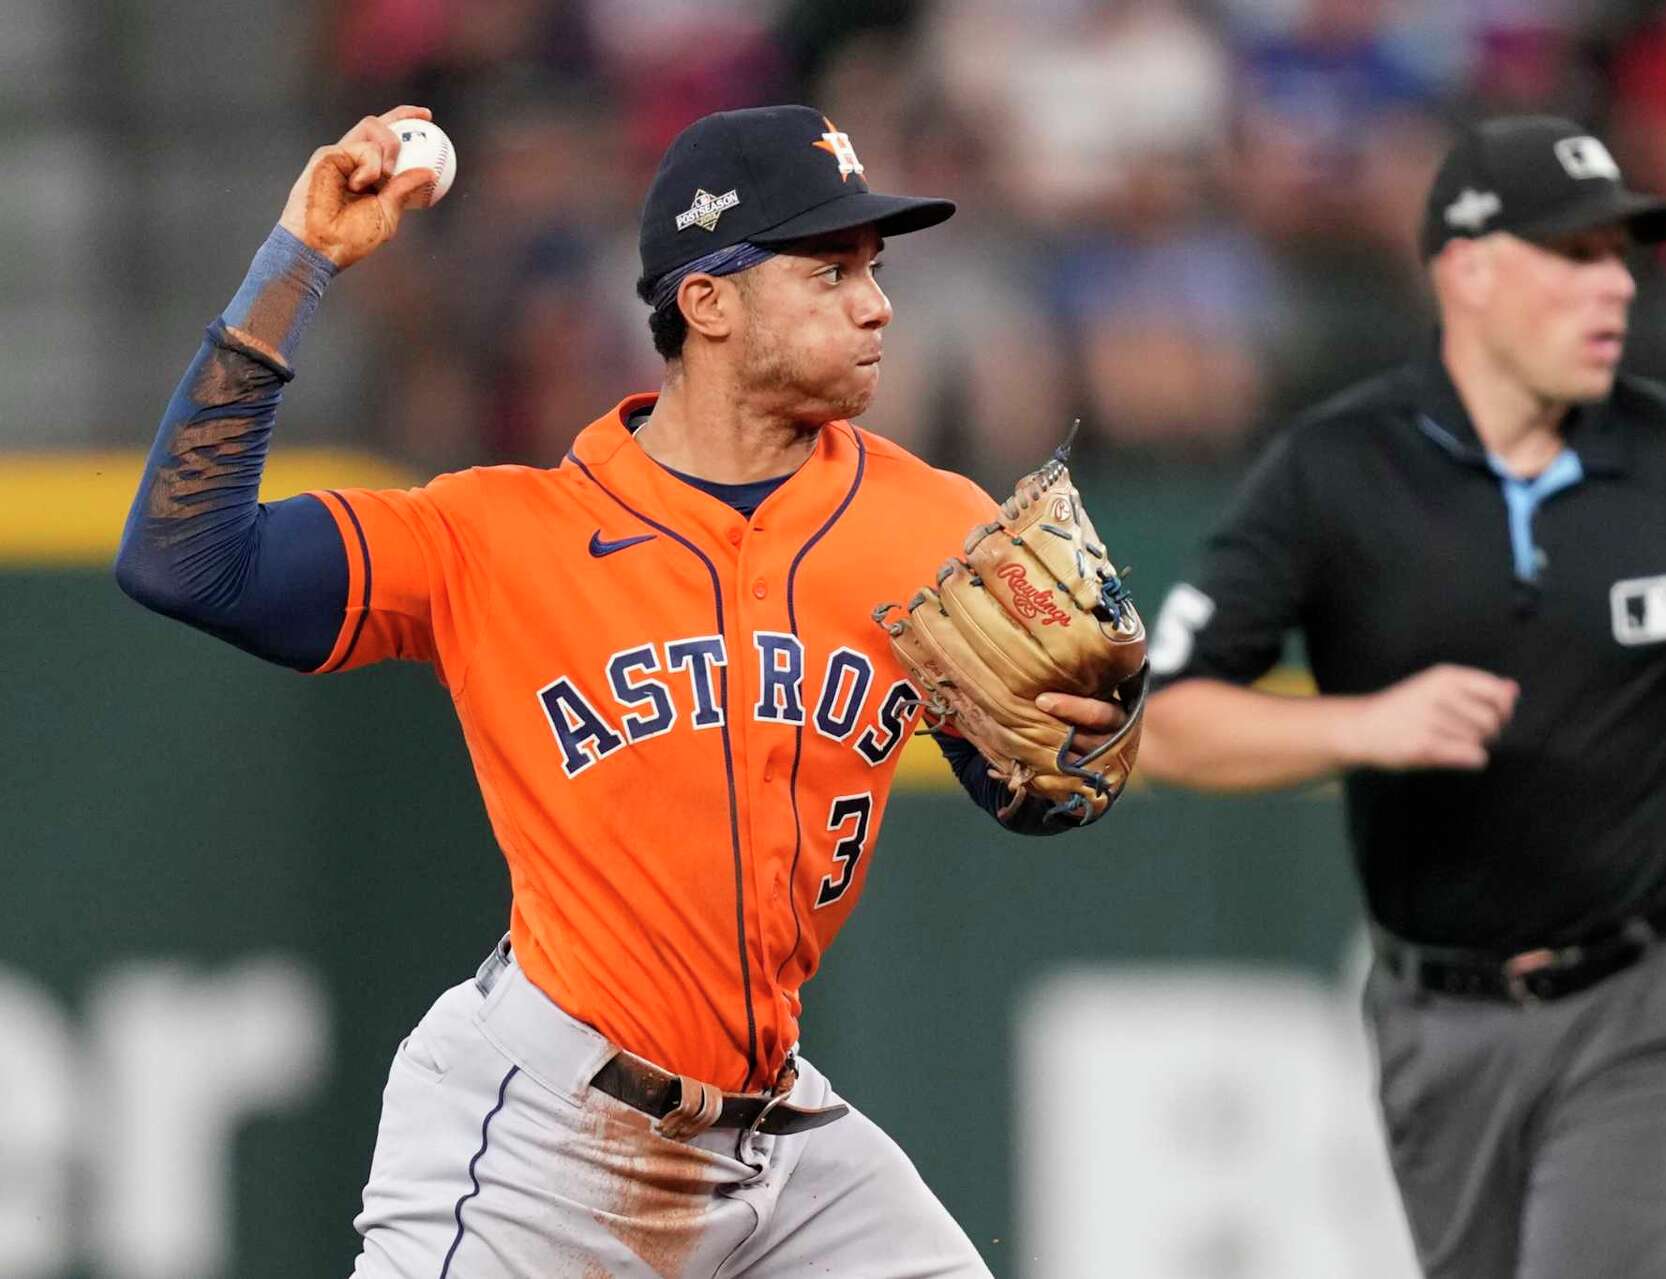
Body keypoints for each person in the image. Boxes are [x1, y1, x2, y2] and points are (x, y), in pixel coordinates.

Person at [115, 103, 1125, 1278]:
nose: (876, 304)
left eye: (875, 269)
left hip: (782, 1141)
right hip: (545, 1136)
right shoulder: (499, 536)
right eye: (829, 271)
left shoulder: (936, 524)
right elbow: (186, 559)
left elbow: (1033, 786)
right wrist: (298, 261)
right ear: (709, 302)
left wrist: (1076, 745)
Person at [1140, 115, 1666, 1279]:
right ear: (1469, 269)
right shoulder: (1337, 469)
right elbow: (1166, 724)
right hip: (1441, 1016)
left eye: (1621, 255)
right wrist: (1361, 724)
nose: (1615, 285)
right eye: (1575, 253)